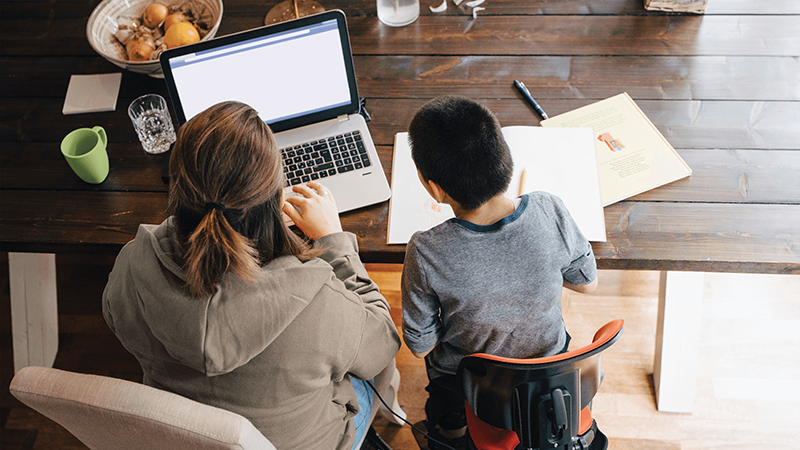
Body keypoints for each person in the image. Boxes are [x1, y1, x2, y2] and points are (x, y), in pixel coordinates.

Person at [102, 101, 400, 450]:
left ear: (178, 191)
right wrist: (334, 242)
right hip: (307, 442)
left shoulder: (129, 265)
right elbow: (382, 345)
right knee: (367, 367)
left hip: (189, 435)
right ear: (275, 196)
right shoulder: (319, 301)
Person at [401, 96, 598, 449]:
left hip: (472, 383)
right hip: (550, 374)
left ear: (433, 187)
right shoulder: (548, 208)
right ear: (505, 159)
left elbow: (420, 345)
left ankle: (451, 432)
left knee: (442, 387)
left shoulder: (426, 250)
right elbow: (588, 283)